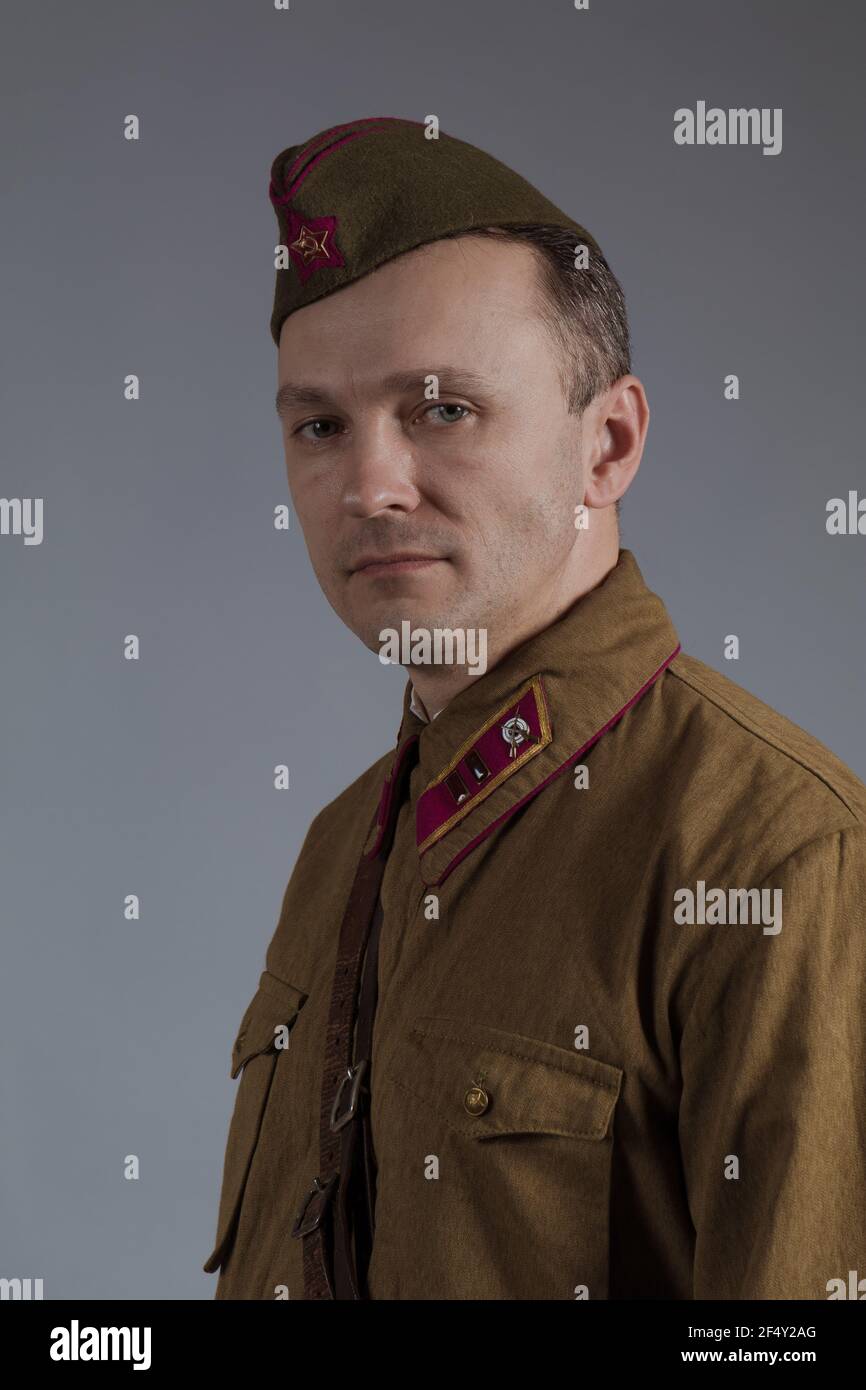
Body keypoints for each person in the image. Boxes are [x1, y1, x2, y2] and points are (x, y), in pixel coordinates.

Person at [203, 116, 866, 1300]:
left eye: (441, 408)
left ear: (605, 444)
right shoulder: (342, 846)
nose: (368, 485)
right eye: (318, 425)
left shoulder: (778, 849)